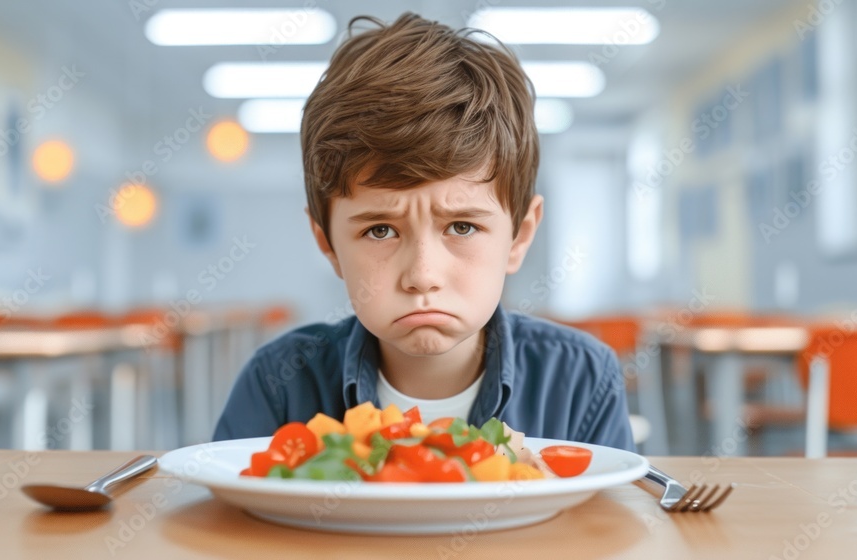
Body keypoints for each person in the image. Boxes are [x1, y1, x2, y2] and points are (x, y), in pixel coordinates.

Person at [213, 12, 634, 451]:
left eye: (462, 226)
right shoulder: (277, 384)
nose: (422, 275)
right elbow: (224, 518)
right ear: (328, 244)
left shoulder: (583, 380)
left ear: (520, 236)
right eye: (380, 231)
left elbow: (609, 519)